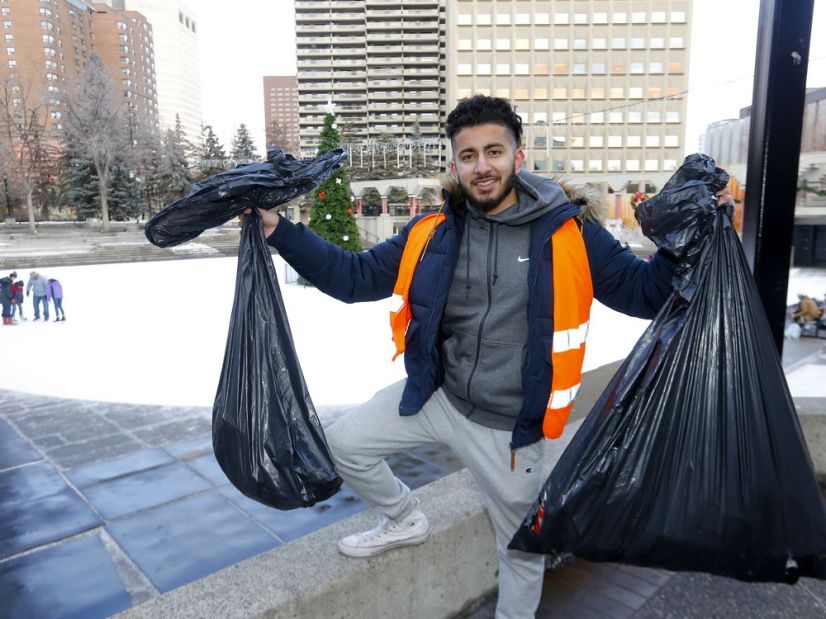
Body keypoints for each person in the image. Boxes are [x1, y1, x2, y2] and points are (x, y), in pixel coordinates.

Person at [242, 95, 732, 618]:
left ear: (517, 157)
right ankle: (404, 518)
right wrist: (278, 231)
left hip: (510, 429)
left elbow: (643, 292)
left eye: (494, 151)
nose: (482, 166)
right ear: (455, 165)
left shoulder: (571, 230)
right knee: (343, 444)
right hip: (439, 396)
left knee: (520, 551)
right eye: (469, 155)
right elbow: (354, 277)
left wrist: (692, 234)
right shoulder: (434, 231)